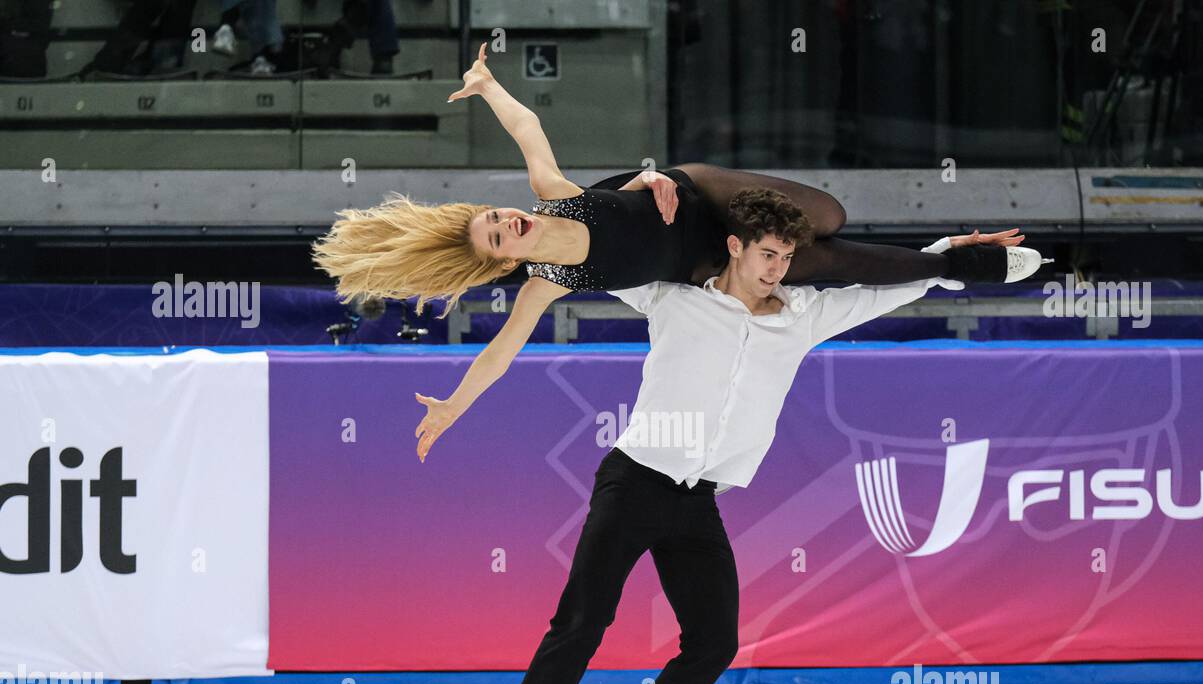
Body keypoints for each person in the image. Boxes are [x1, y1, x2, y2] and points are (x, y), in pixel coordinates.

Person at [465, 187, 1021, 684]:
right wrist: (631, 191)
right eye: (766, 255)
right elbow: (599, 253)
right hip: (634, 483)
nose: (777, 269)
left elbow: (887, 288)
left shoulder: (804, 315)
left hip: (697, 501)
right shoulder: (670, 294)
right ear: (734, 246)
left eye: (786, 257)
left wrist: (949, 255)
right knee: (581, 626)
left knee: (713, 643)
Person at [311, 43, 1044, 459]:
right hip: (708, 258)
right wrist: (452, 407)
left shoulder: (554, 193)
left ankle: (944, 262)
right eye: (500, 236)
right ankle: (950, 262)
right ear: (502, 261)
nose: (510, 223)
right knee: (821, 261)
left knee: (827, 216)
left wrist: (487, 84)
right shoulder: (549, 280)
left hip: (701, 195)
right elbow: (498, 356)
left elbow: (527, 127)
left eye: (495, 216)